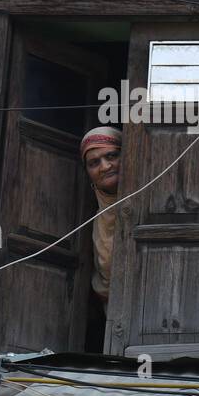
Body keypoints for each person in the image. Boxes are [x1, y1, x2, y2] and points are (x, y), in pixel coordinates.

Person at [80, 126, 122, 304]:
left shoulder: (153, 203)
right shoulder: (98, 222)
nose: (105, 167)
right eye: (94, 163)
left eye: (112, 156)